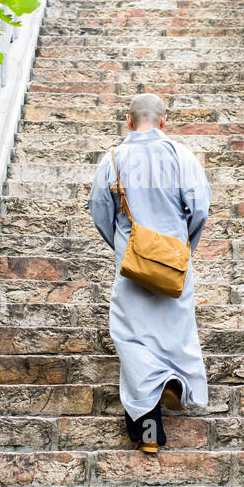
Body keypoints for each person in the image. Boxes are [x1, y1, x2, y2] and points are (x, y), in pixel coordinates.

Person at [88, 92, 211, 453]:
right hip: (174, 263)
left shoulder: (113, 159)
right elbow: (200, 207)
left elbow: (99, 209)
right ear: (163, 121)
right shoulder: (181, 156)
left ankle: (148, 434)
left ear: (128, 121)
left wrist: (123, 248)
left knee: (132, 338)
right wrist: (183, 247)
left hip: (132, 266)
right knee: (176, 331)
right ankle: (175, 380)